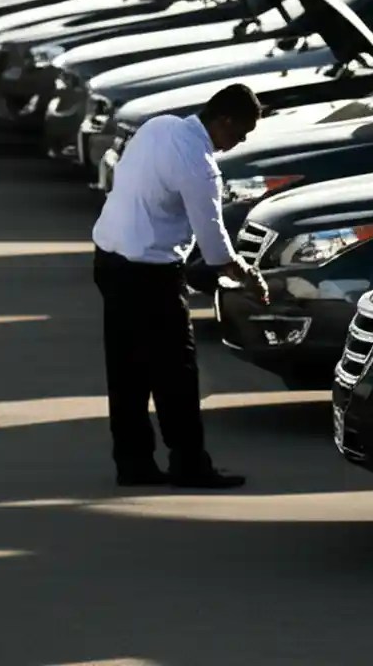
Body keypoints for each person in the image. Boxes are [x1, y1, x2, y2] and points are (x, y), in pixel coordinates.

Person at [91, 84, 269, 490]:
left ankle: (133, 462)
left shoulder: (158, 127)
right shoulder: (199, 165)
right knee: (176, 373)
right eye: (238, 135)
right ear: (222, 121)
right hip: (150, 274)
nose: (234, 145)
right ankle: (189, 463)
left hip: (108, 259)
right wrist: (250, 277)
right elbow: (215, 246)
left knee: (127, 369)